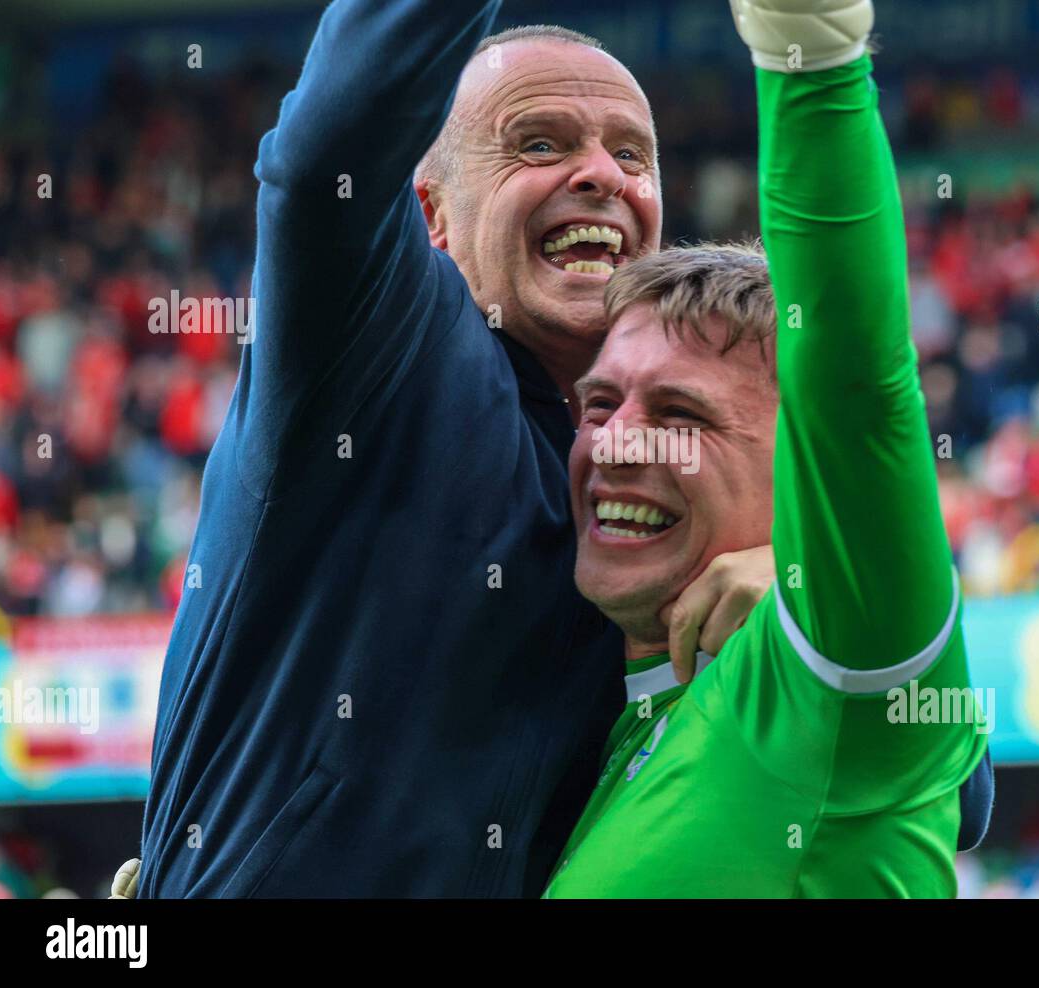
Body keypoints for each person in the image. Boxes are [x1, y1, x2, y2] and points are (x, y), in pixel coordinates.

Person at [136, 0, 772, 898]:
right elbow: (324, 163)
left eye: (633, 155)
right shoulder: (379, 349)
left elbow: (940, 783)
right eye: (540, 144)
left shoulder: (649, 477)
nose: (602, 174)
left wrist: (804, 613)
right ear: (429, 211)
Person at [542, 0, 989, 896]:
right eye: (598, 405)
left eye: (682, 414)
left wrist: (808, 41)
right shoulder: (607, 712)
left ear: (806, 471)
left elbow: (854, 367)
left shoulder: (819, 675)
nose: (615, 443)